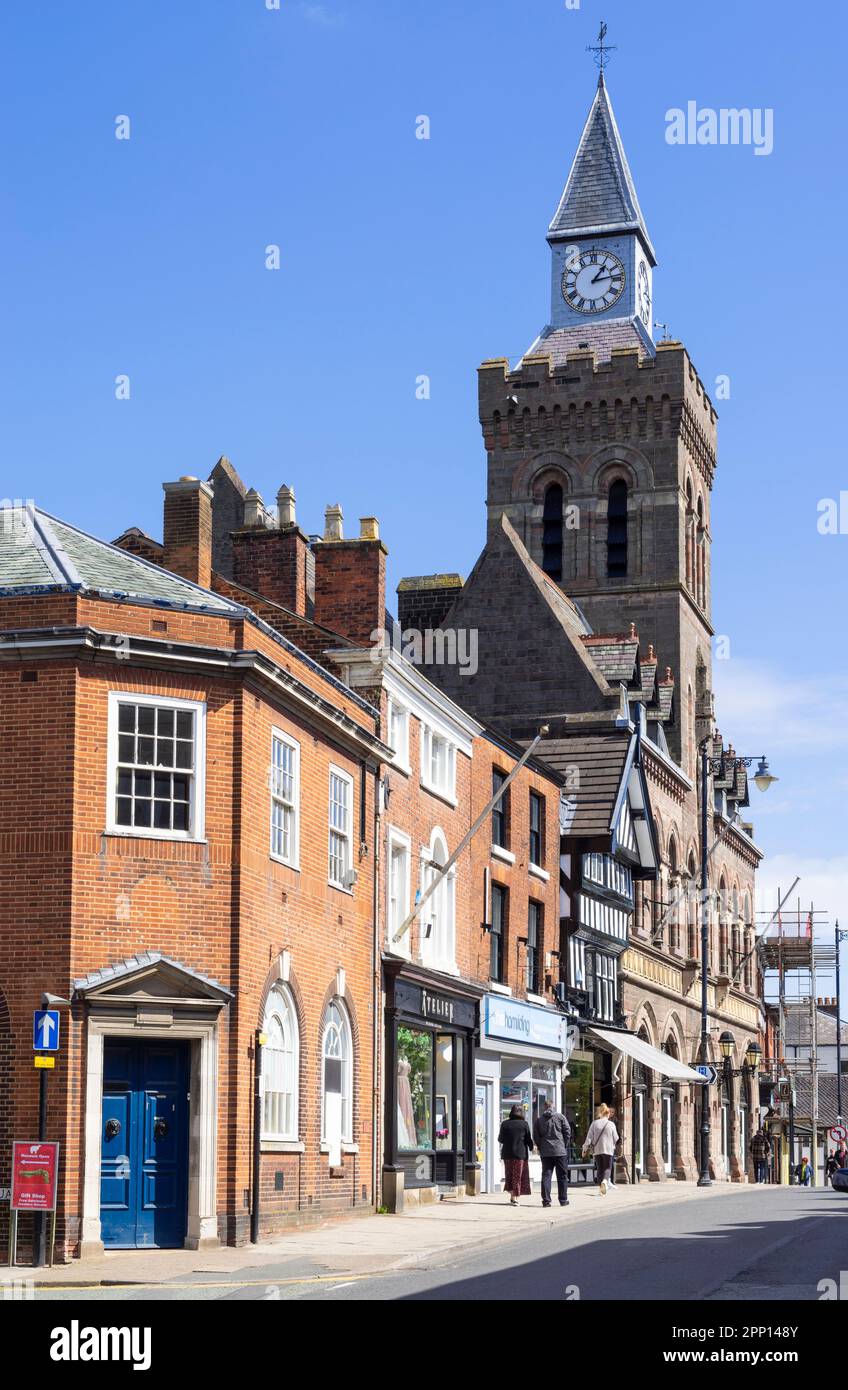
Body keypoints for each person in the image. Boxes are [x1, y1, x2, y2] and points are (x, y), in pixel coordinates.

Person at [533, 1098, 571, 1208]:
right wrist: (564, 1144)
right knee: (562, 1176)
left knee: (546, 1175)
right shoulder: (560, 1117)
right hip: (560, 1151)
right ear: (552, 1106)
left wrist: (541, 1146)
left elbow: (536, 1136)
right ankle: (563, 1200)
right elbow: (567, 1132)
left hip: (546, 1152)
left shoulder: (539, 1120)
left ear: (544, 1107)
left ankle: (546, 1201)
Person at [498, 1104, 534, 1206]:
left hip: (507, 1154)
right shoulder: (524, 1124)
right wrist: (532, 1147)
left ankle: (512, 1196)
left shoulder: (505, 1124)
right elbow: (528, 1140)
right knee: (517, 1176)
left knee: (509, 1175)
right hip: (520, 1154)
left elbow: (500, 1139)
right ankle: (514, 1198)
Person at [582, 1103, 619, 1196]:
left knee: (600, 1169)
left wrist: (584, 1149)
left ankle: (600, 1191)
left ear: (600, 1113)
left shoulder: (594, 1123)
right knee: (607, 1168)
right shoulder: (611, 1124)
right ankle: (605, 1181)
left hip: (597, 1150)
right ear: (607, 1113)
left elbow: (589, 1138)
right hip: (608, 1149)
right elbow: (616, 1137)